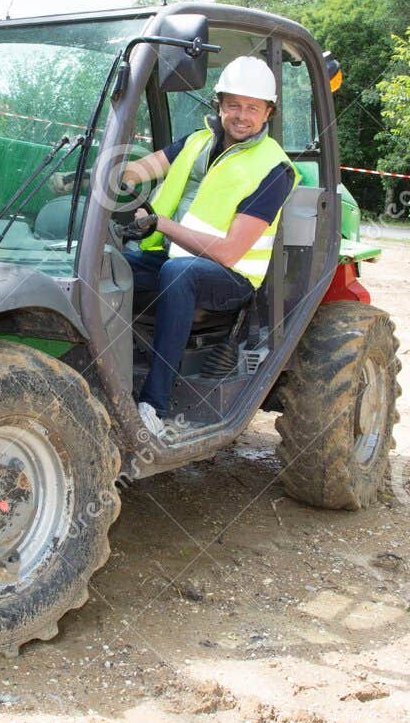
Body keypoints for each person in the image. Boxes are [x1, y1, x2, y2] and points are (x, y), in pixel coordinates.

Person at [116, 56, 298, 439]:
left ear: (268, 113)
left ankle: (154, 405)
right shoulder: (196, 142)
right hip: (173, 257)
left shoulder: (273, 169)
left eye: (252, 107)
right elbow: (140, 170)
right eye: (233, 104)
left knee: (177, 274)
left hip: (232, 278)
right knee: (110, 266)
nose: (241, 115)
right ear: (219, 105)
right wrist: (110, 176)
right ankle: (106, 375)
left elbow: (231, 251)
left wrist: (159, 223)